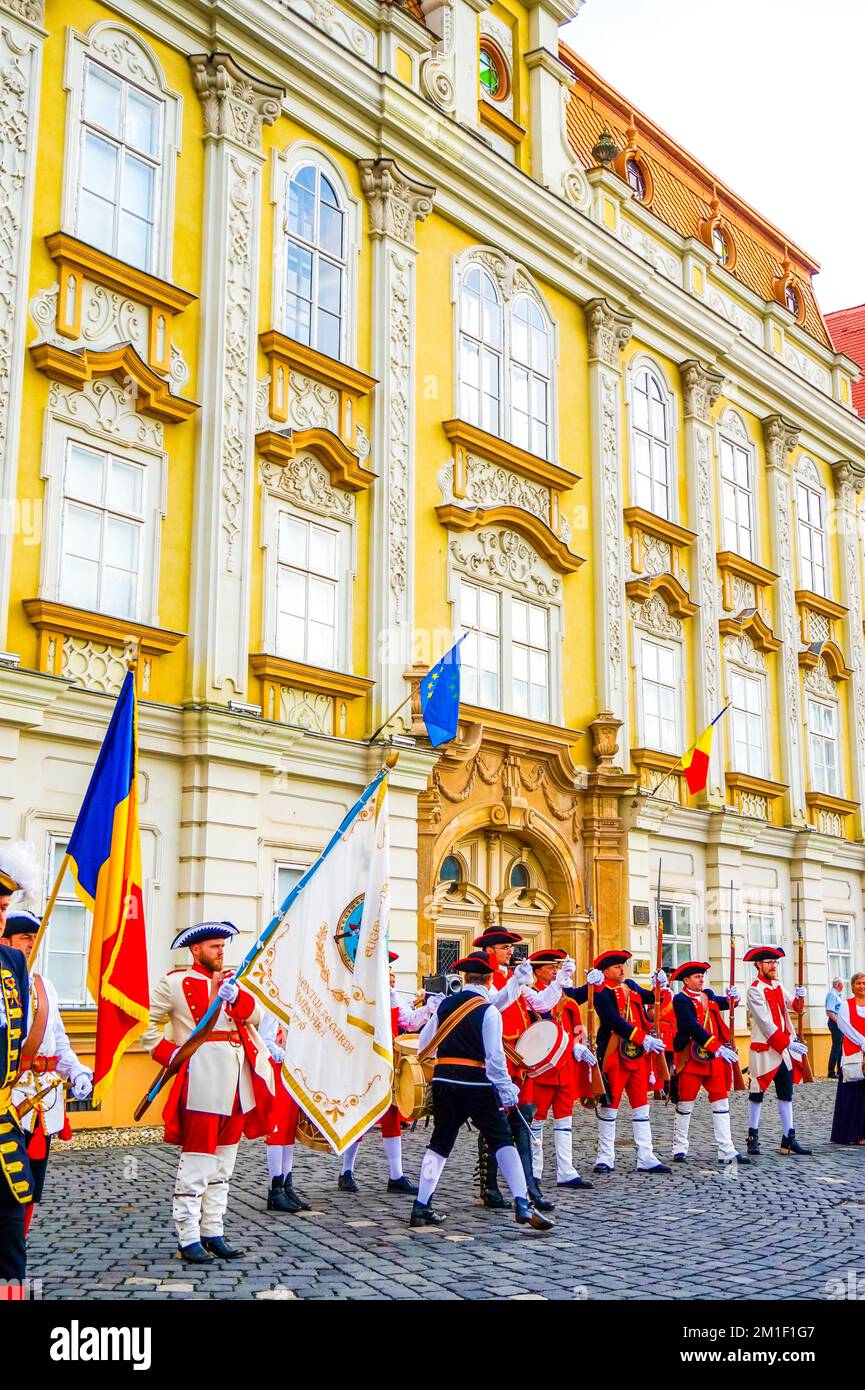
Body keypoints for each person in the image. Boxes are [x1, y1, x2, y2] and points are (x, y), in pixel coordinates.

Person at [140, 921, 275, 1264]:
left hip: (236, 1083)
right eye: (214, 946)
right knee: (197, 1163)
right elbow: (148, 1028)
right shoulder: (173, 983)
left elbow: (258, 1016)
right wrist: (172, 1055)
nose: (221, 951)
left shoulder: (234, 981)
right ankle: (188, 1236)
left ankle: (213, 1231)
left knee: (224, 1167)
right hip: (201, 1079)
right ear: (196, 950)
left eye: (222, 945)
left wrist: (238, 997)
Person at [409, 953, 554, 1233]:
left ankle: (421, 1205)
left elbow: (424, 1043)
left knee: (439, 1144)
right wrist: (507, 1089)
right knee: (502, 1140)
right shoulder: (488, 1010)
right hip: (477, 1084)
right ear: (489, 979)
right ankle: (522, 1202)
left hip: (444, 1082)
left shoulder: (445, 1005)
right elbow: (495, 1058)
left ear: (465, 978)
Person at [5, 911, 93, 1233]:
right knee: (7, 1186)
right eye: (25, 937)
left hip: (43, 1101)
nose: (32, 944)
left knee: (31, 1185)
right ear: (5, 942)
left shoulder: (45, 986)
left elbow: (58, 1039)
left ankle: (17, 1246)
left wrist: (77, 1071)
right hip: (11, 1099)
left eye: (34, 937)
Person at [336, 952, 441, 1196]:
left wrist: (430, 1010)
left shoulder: (392, 996)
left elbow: (410, 1023)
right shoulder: (357, 995)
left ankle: (396, 1175)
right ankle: (346, 1171)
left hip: (390, 1062)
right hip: (364, 1062)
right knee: (359, 1116)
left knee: (392, 1117)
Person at [519, 949, 600, 1191]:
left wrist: (578, 1047)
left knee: (565, 1119)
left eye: (557, 967)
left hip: (565, 1066)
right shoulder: (530, 996)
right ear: (536, 971)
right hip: (542, 1068)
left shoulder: (568, 999)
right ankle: (535, 1170)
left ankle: (567, 1170)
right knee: (538, 1120)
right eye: (549, 967)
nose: (555, 971)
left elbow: (575, 1026)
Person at [592, 949, 671, 1174]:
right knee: (610, 1107)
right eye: (617, 966)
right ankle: (605, 1157)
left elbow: (654, 1000)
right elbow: (613, 1020)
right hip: (614, 1053)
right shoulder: (601, 993)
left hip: (638, 1054)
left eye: (623, 966)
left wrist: (661, 986)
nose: (622, 970)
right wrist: (641, 1037)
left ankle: (646, 1156)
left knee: (641, 1106)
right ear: (605, 971)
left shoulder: (632, 986)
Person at [669, 960, 748, 1165]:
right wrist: (716, 1046)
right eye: (697, 976)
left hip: (712, 1058)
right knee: (685, 1102)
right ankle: (679, 1148)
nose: (701, 979)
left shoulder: (708, 995)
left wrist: (734, 997)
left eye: (702, 976)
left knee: (721, 1102)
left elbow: (725, 1003)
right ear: (686, 980)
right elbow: (691, 1026)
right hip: (691, 1056)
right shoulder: (680, 1000)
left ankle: (726, 1149)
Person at [744, 945, 811, 1156]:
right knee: (757, 1093)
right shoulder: (754, 989)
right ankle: (752, 1136)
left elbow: (795, 1008)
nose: (773, 966)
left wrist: (801, 997)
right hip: (765, 1049)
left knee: (786, 1093)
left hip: (782, 1050)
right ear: (759, 964)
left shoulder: (778, 986)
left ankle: (788, 1138)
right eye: (769, 962)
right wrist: (788, 1043)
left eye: (775, 962)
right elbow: (765, 1023)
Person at [0, 932, 33, 1287]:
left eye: (4, 907)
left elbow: (18, 1033)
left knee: (10, 1221)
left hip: (3, 1120)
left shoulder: (13, 963)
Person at [258, 1010, 311, 1214]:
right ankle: (275, 1188)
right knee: (278, 1131)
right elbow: (266, 1042)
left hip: (290, 1071)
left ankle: (287, 1185)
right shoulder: (272, 1009)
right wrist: (288, 1057)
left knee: (289, 1130)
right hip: (277, 1069)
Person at [830, 972, 865, 1146]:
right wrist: (863, 1043)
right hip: (854, 1054)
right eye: (858, 983)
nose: (862, 986)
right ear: (852, 986)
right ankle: (853, 1132)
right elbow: (844, 1025)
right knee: (854, 1094)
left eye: (864, 983)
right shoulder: (846, 1005)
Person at [825, 977, 844, 1080]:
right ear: (837, 985)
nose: (843, 986)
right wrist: (839, 1023)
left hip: (838, 1023)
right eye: (841, 985)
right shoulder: (833, 994)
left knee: (840, 1048)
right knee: (836, 1048)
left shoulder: (836, 994)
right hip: (835, 1023)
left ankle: (839, 1070)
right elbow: (829, 1012)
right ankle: (831, 1071)